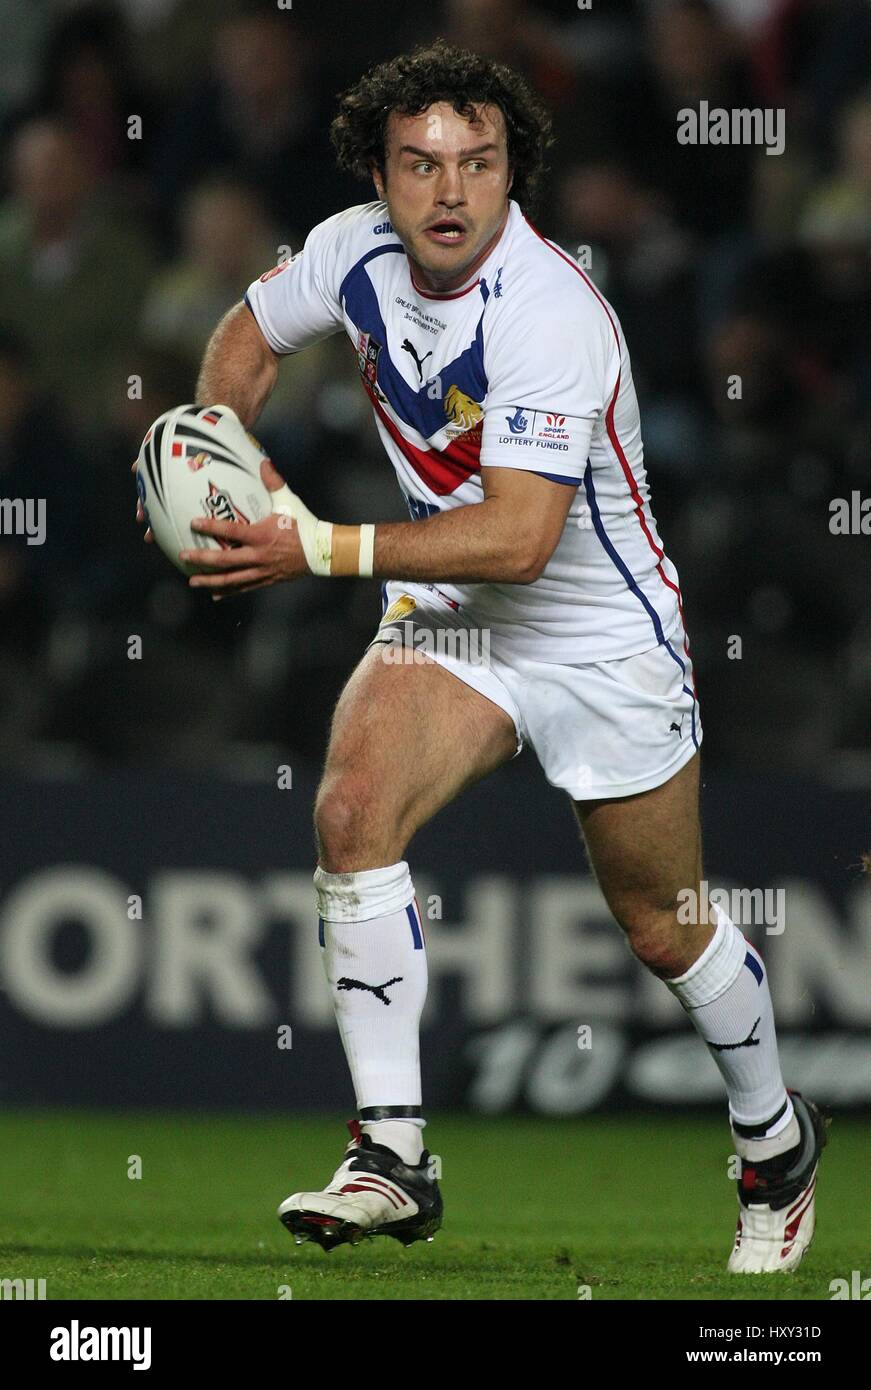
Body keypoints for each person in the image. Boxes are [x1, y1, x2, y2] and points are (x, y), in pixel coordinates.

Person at [135, 41, 826, 1273]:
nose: (450, 192)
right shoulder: (348, 252)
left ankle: (774, 1137)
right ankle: (392, 1153)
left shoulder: (550, 311)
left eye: (478, 163)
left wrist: (312, 543)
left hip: (595, 630)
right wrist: (212, 450)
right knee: (351, 807)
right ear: (380, 179)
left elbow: (520, 536)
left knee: (662, 923)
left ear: (514, 173)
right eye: (420, 166)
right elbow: (246, 330)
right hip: (453, 605)